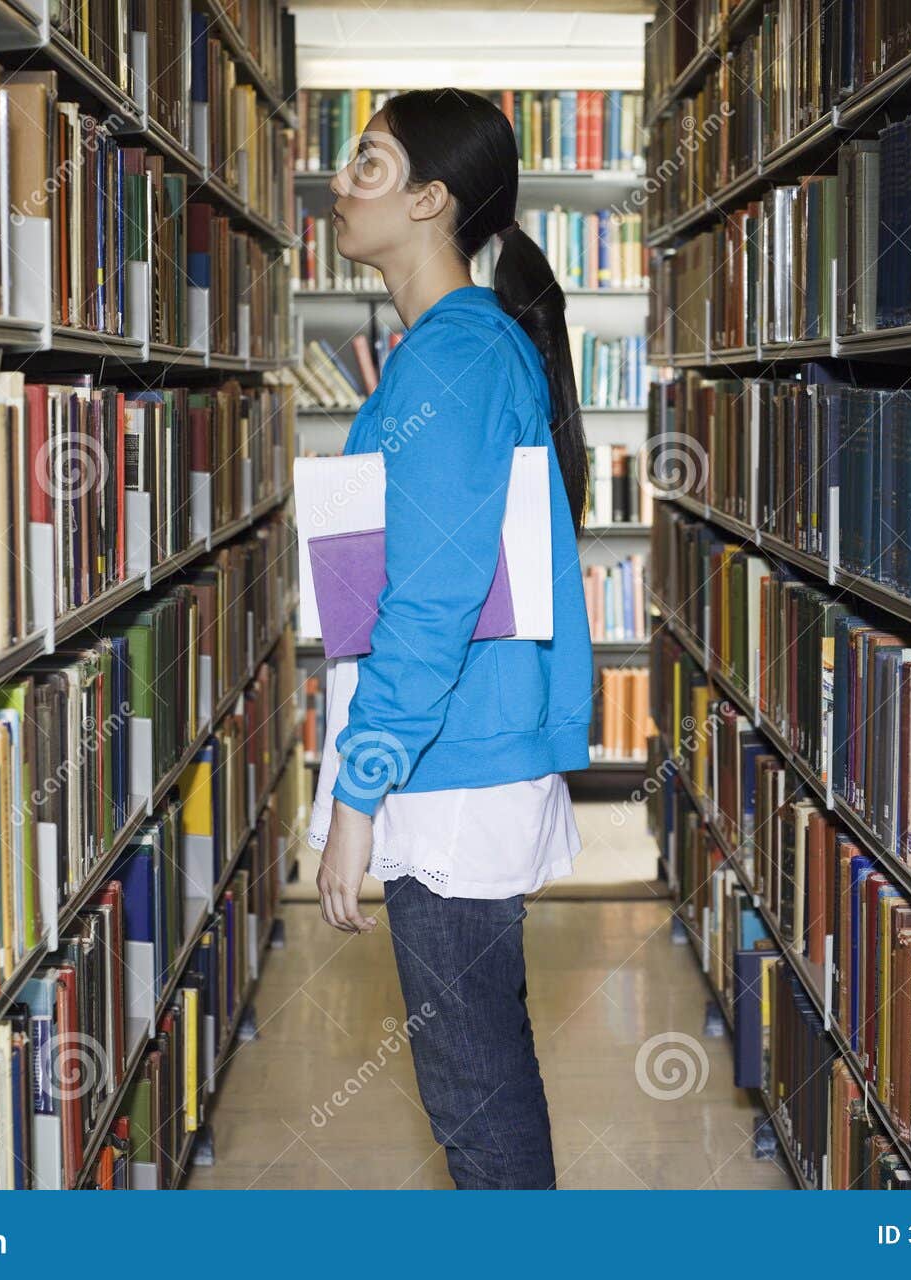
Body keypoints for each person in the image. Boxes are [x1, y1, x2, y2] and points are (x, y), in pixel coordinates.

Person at [305, 89, 594, 1190]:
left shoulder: (453, 360)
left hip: (447, 771)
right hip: (455, 757)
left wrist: (355, 793)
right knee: (480, 1075)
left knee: (474, 1094)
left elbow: (426, 602)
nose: (340, 182)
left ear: (432, 200)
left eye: (367, 164)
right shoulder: (453, 349)